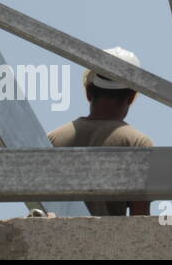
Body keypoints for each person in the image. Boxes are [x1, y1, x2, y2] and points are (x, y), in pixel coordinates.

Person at [47, 47, 154, 216]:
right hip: (111, 234)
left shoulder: (53, 139)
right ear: (131, 96)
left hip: (53, 233)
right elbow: (140, 219)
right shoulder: (137, 144)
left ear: (89, 92)